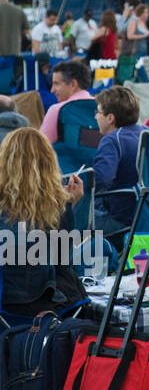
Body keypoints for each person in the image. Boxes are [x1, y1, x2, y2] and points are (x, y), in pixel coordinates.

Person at [0, 127, 90, 317]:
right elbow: (61, 262)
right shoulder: (58, 207)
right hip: (39, 305)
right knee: (97, 248)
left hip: (5, 303)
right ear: (48, 164)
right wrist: (70, 205)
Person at [92, 86, 145, 232]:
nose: (96, 117)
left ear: (110, 118)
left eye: (98, 112)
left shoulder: (112, 140)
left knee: (71, 222)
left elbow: (101, 180)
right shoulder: (148, 133)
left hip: (122, 219)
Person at [40, 59, 95, 143]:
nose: (52, 90)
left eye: (56, 84)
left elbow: (41, 148)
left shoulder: (56, 110)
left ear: (73, 84)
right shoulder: (103, 109)